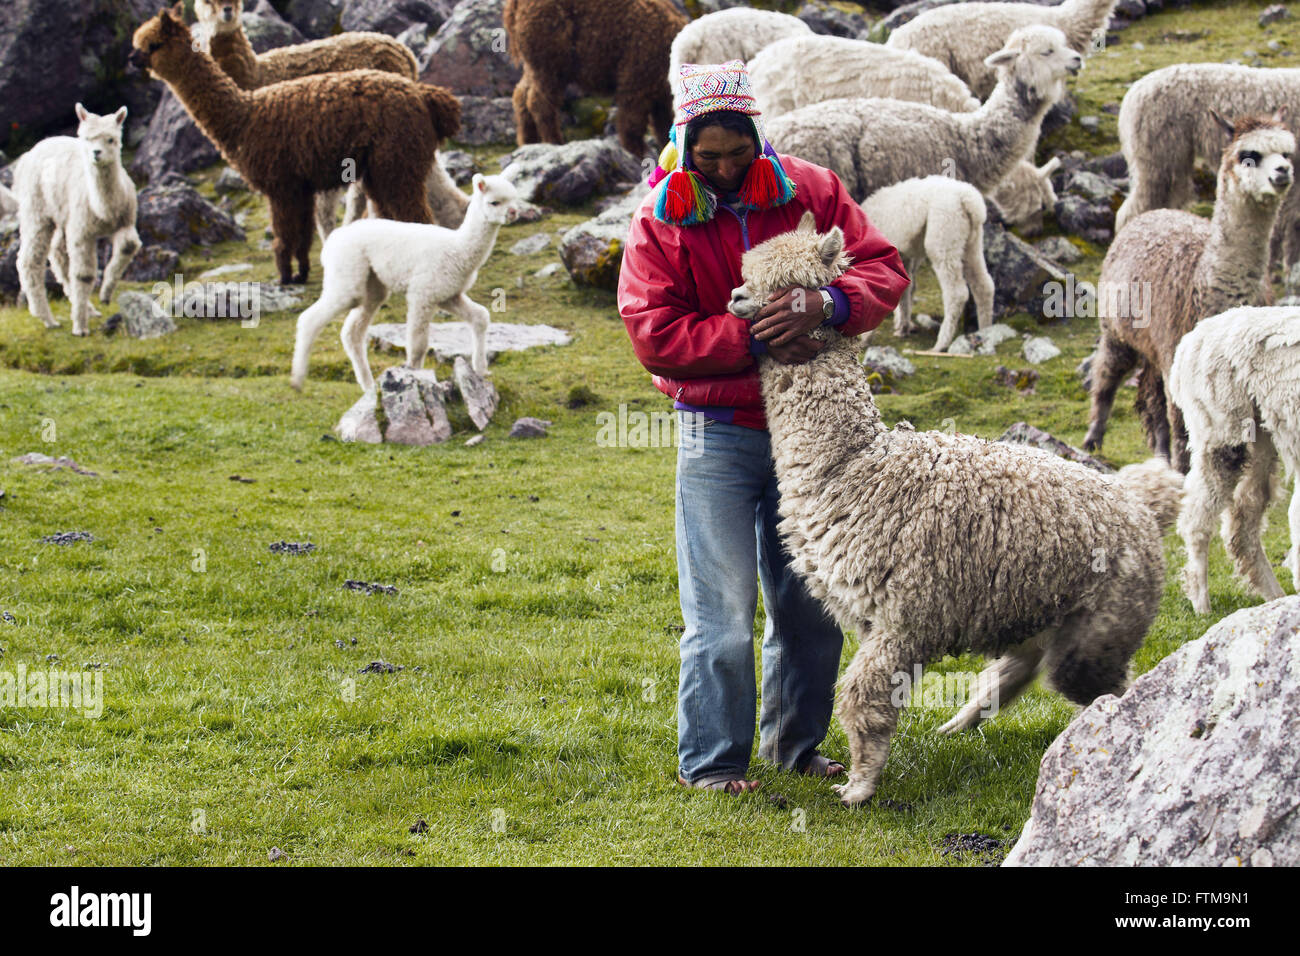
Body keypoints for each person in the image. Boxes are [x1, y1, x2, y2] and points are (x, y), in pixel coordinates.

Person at [617, 60, 909, 794]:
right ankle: (712, 764)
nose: (721, 170)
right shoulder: (661, 216)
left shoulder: (810, 190)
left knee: (810, 601)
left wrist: (830, 306)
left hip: (812, 433)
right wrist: (750, 334)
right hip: (719, 427)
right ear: (684, 143)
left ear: (758, 138)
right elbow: (654, 332)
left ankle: (795, 745)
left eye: (736, 155)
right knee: (720, 609)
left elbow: (881, 267)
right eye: (706, 156)